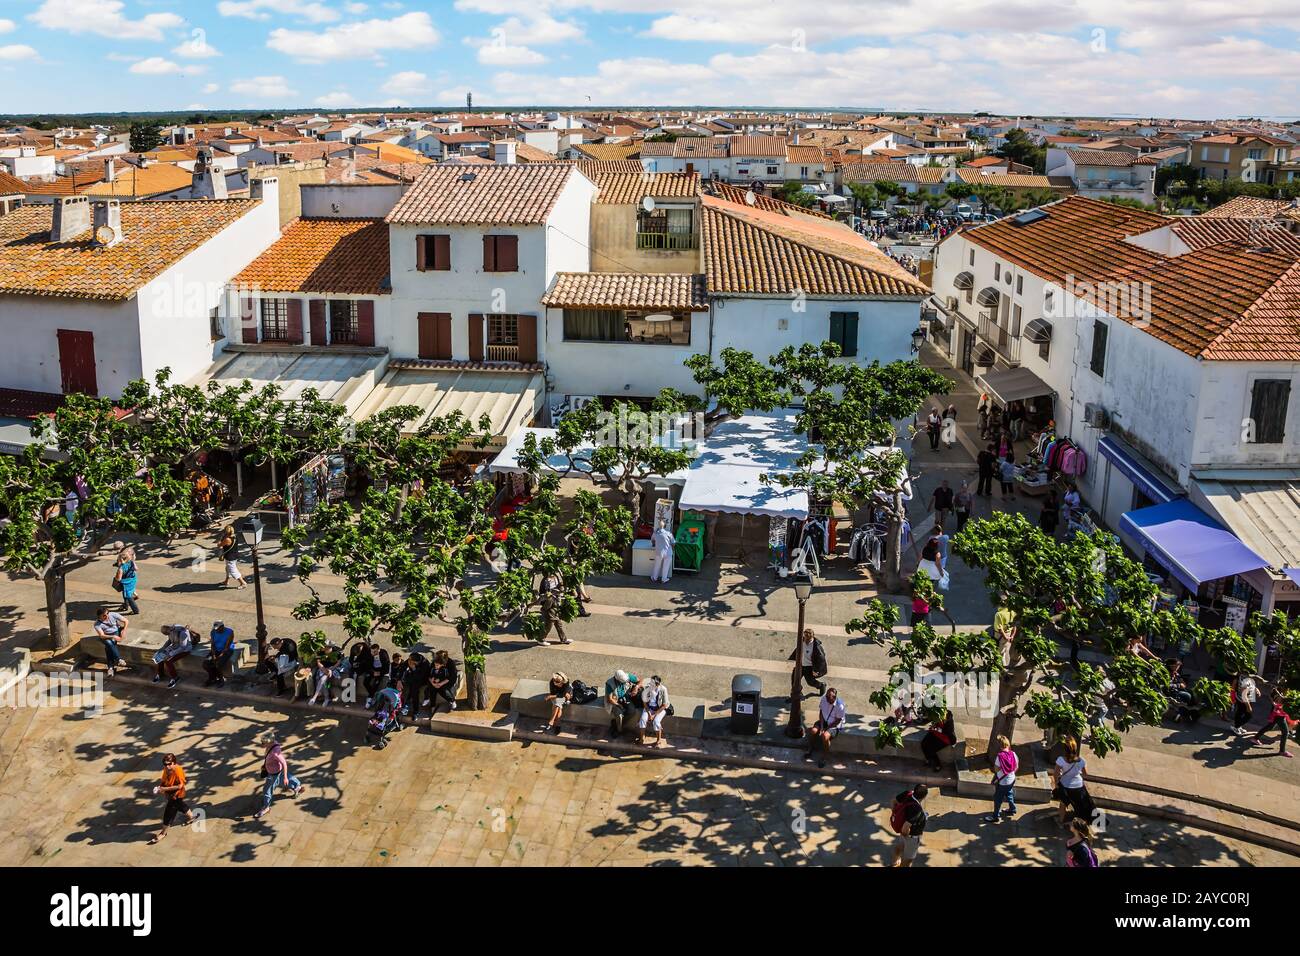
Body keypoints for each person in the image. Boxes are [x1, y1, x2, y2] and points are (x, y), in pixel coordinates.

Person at [253, 737, 303, 819]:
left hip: (273, 774)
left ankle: (266, 808)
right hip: (275, 771)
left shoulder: (275, 753)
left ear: (269, 743)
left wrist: (286, 777)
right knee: (280, 780)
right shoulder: (273, 743)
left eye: (263, 743)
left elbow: (284, 763)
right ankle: (297, 787)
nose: (261, 744)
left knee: (267, 790)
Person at [149, 753, 193, 844]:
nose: (167, 766)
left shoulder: (178, 770)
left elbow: (180, 786)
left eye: (169, 764)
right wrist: (160, 788)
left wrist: (165, 789)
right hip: (170, 795)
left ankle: (163, 833)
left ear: (174, 763)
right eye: (165, 764)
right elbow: (164, 780)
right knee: (181, 806)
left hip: (176, 794)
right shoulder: (166, 769)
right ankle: (192, 817)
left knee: (168, 814)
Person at [803, 686, 846, 769]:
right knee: (813, 731)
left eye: (828, 698)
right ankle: (810, 749)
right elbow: (821, 712)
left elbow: (837, 721)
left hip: (834, 725)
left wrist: (826, 729)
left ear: (834, 698)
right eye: (826, 696)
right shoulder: (824, 699)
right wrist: (822, 726)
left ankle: (824, 757)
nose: (826, 699)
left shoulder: (840, 706)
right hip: (824, 721)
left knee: (825, 736)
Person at [1053, 736, 1092, 826]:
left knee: (1063, 804)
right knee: (1080, 805)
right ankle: (1080, 822)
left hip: (1066, 786)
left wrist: (1056, 785)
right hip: (1079, 786)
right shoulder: (1081, 761)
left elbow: (1056, 774)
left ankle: (1061, 821)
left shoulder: (1061, 760)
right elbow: (1086, 774)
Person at [1251, 687, 1297, 757]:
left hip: (1278, 714)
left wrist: (1274, 704)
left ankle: (1255, 738)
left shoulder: (1279, 692)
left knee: (1270, 727)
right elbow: (1281, 700)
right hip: (1279, 715)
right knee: (1285, 732)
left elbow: (1273, 698)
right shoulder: (1281, 694)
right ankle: (1282, 751)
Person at [890, 783, 928, 867]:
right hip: (911, 836)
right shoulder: (917, 810)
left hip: (903, 832)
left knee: (899, 847)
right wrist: (906, 836)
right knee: (908, 859)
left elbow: (893, 801)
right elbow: (905, 828)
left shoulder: (907, 793)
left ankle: (894, 863)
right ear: (924, 796)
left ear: (914, 791)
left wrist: (895, 813)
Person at [984, 735, 1019, 823]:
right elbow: (1016, 767)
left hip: (1003, 782)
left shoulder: (999, 757)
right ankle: (1012, 809)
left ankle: (995, 816)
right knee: (1009, 793)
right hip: (1012, 779)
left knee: (997, 798)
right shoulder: (1013, 754)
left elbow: (996, 769)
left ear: (1000, 746)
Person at [788, 627, 827, 696]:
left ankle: (821, 685)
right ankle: (797, 693)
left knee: (810, 682)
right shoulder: (802, 641)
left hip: (809, 667)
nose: (806, 640)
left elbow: (821, 659)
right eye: (805, 638)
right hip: (800, 665)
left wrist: (816, 670)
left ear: (812, 637)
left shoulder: (816, 647)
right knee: (794, 680)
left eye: (808, 639)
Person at [92, 605, 129, 677]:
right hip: (106, 636)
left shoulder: (113, 614)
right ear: (99, 616)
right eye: (104, 615)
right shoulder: (97, 624)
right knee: (109, 643)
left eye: (107, 613)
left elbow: (126, 621)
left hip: (115, 632)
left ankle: (111, 668)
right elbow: (102, 635)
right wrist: (113, 636)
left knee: (108, 648)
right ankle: (118, 659)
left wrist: (124, 630)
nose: (107, 616)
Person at [153, 624, 194, 688]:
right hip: (175, 647)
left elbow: (182, 647)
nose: (167, 635)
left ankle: (175, 678)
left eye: (166, 634)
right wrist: (162, 648)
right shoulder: (169, 631)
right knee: (160, 656)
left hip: (185, 650)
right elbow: (169, 640)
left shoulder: (183, 633)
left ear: (169, 630)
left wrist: (170, 654)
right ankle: (160, 674)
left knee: (168, 661)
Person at [537, 572, 572, 645]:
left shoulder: (556, 577)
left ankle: (563, 639)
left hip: (554, 603)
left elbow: (559, 587)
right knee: (549, 624)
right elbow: (546, 594)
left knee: (558, 624)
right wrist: (553, 592)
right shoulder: (545, 581)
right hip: (549, 605)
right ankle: (541, 639)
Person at [604, 669, 641, 737]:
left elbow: (639, 681)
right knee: (619, 715)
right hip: (615, 702)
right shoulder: (610, 683)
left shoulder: (627, 676)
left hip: (625, 697)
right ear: (617, 679)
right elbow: (610, 699)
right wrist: (619, 705)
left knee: (632, 711)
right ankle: (619, 730)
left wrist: (636, 687)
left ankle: (615, 724)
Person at [638, 675, 671, 747]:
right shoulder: (647, 688)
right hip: (649, 708)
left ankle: (658, 740)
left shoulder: (663, 689)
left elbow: (664, 705)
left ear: (657, 684)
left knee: (656, 722)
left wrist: (654, 715)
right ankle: (642, 737)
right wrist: (649, 714)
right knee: (642, 720)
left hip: (660, 709)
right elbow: (644, 702)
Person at [203, 620, 236, 687]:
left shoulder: (230, 632)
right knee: (205, 663)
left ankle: (221, 679)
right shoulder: (213, 632)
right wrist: (214, 655)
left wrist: (220, 656)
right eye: (216, 629)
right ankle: (212, 678)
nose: (217, 630)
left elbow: (227, 646)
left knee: (218, 664)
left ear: (222, 626)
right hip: (216, 650)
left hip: (227, 650)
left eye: (218, 629)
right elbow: (212, 645)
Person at [428, 649, 459, 714]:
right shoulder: (435, 662)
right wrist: (432, 683)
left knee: (442, 689)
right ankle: (432, 706)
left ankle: (452, 701)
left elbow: (451, 677)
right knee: (432, 689)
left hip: (447, 680)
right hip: (436, 679)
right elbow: (429, 674)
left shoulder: (451, 663)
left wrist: (441, 684)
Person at [362, 642, 390, 708]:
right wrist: (372, 672)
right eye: (372, 652)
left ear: (379, 650)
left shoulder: (383, 654)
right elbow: (366, 665)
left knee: (376, 684)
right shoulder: (369, 654)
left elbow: (387, 667)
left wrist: (380, 673)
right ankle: (372, 695)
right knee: (365, 682)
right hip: (372, 670)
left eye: (375, 652)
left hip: (381, 671)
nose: (373, 654)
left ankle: (370, 698)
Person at [113, 545, 140, 615]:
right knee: (127, 593)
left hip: (126, 583)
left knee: (128, 596)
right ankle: (125, 605)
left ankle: (135, 610)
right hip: (133, 580)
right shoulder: (131, 562)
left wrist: (115, 577)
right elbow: (136, 569)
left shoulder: (121, 568)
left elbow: (118, 579)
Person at [403, 652, 431, 717]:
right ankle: (407, 703)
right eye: (409, 659)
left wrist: (413, 668)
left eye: (410, 660)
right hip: (413, 677)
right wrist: (399, 680)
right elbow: (403, 667)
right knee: (408, 684)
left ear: (415, 662)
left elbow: (419, 677)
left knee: (414, 689)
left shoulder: (425, 664)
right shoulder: (411, 659)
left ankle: (416, 711)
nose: (408, 661)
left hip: (423, 680)